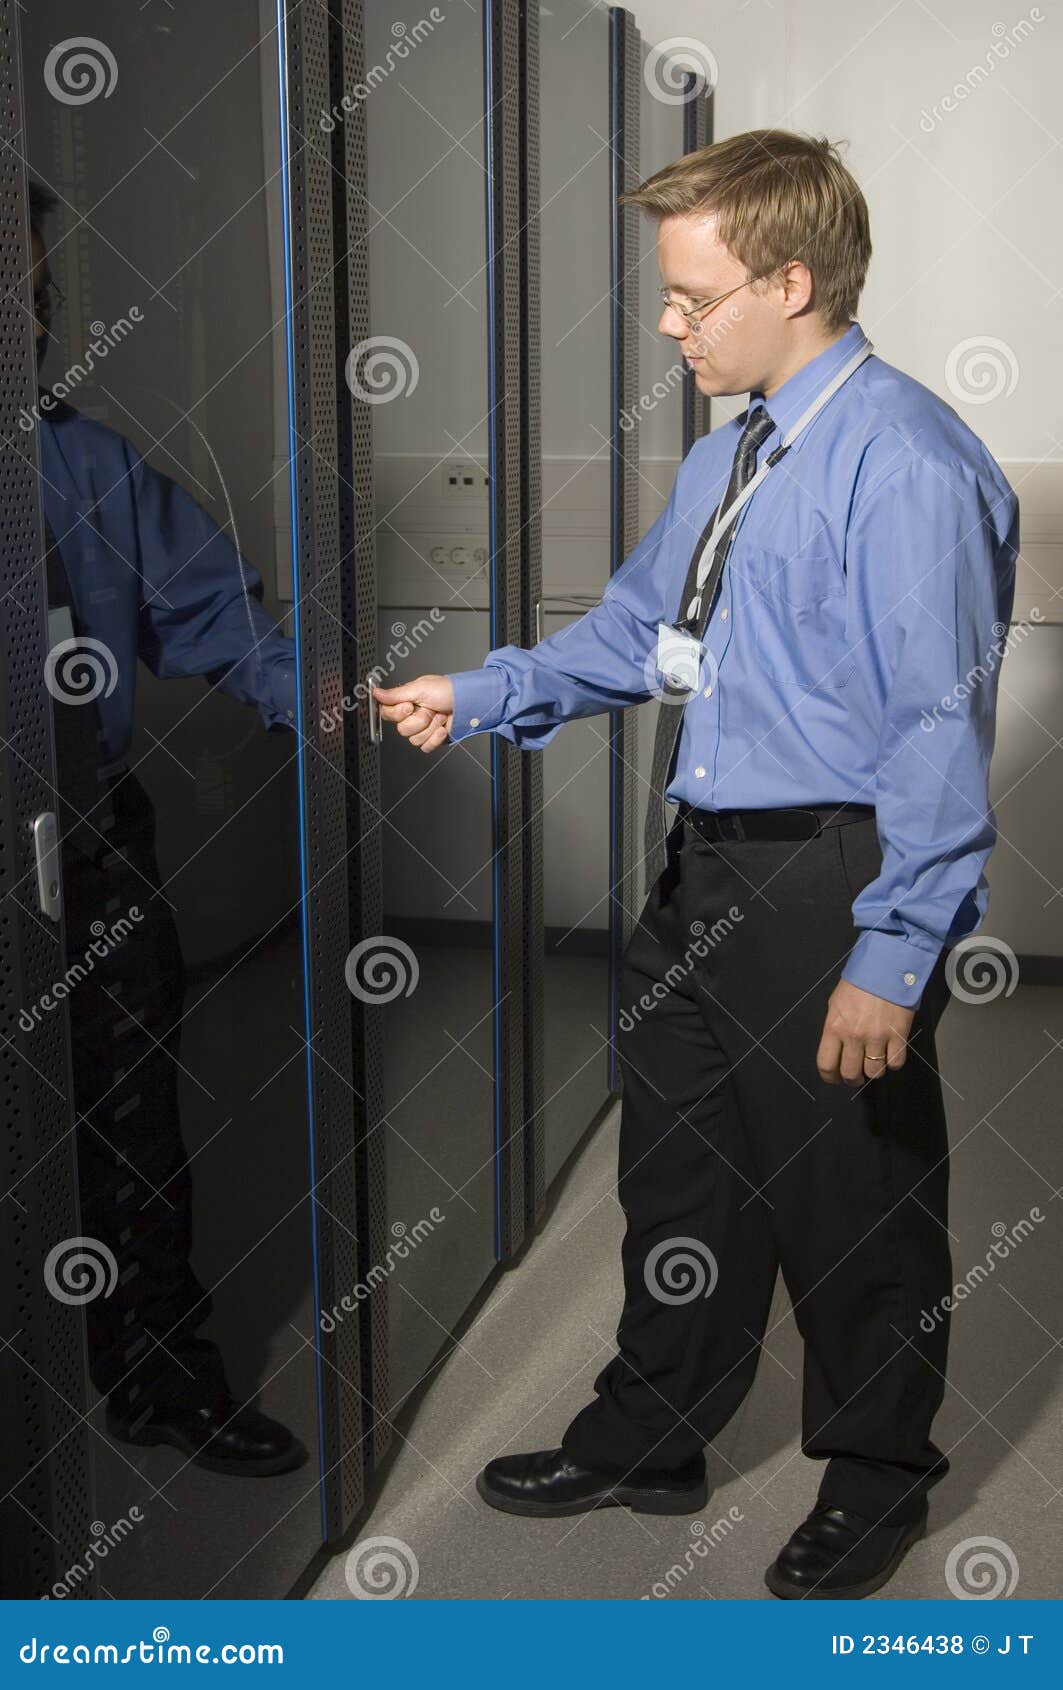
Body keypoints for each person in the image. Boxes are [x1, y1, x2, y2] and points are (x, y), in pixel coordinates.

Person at [374, 130, 1019, 1598]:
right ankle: (655, 1432)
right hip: (705, 865)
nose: (670, 324)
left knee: (852, 1193)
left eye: (693, 297)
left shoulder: (907, 463)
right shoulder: (738, 451)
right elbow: (633, 635)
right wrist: (474, 693)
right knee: (684, 1174)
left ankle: (877, 1474)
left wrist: (894, 946)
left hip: (832, 875)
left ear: (793, 282)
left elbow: (935, 729)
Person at [28, 179, 304, 1476]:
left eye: (30, 284)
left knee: (131, 1119)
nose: (25, 308)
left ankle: (161, 1377)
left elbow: (212, 608)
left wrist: (330, 697)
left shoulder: (80, 461)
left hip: (88, 845)